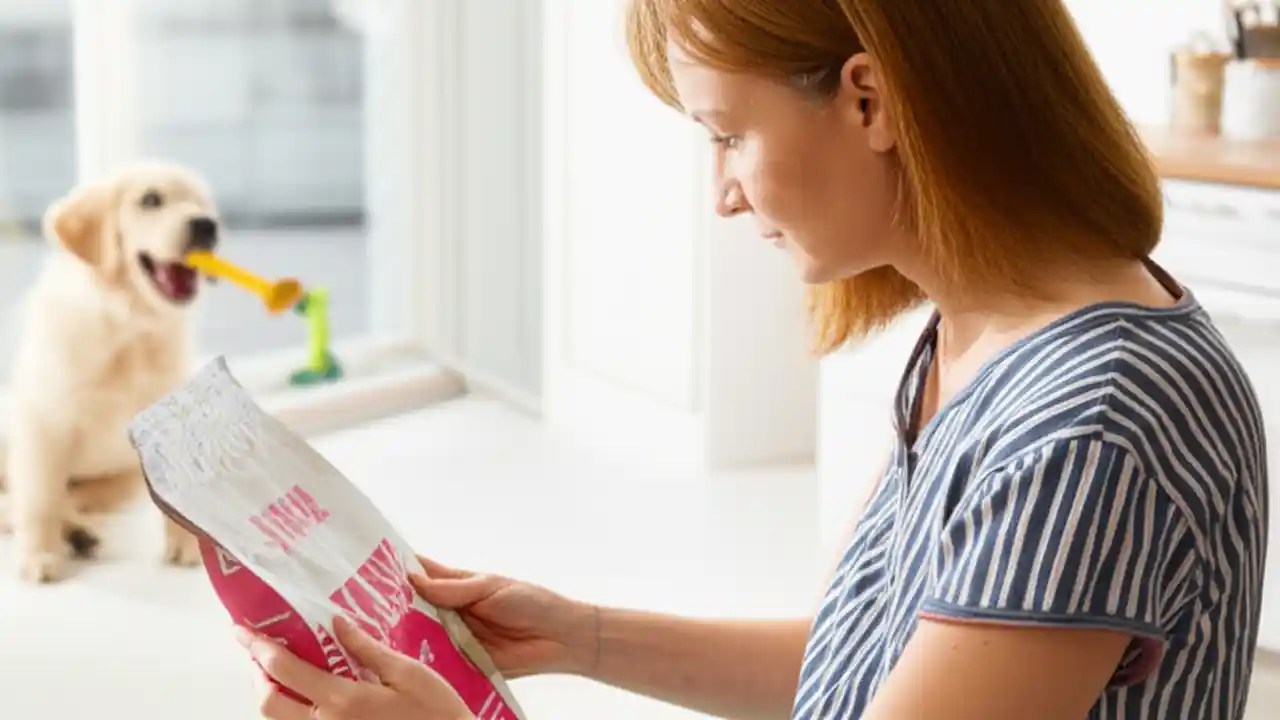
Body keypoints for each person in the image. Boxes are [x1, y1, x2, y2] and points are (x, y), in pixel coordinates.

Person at [237, 1, 1270, 718]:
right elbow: (859, 662)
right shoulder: (977, 336)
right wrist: (577, 638)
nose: (721, 192)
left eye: (725, 134)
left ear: (870, 102)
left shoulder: (1088, 426)